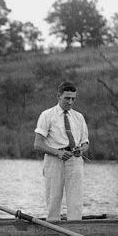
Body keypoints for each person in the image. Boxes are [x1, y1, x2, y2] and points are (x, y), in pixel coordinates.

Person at [33, 81, 89, 221]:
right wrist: (57, 153)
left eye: (73, 99)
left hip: (74, 161)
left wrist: (81, 150)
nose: (70, 102)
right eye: (67, 98)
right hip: (54, 160)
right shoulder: (47, 115)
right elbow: (38, 144)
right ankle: (53, 229)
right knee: (53, 199)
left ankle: (75, 231)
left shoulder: (79, 117)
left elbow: (85, 143)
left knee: (76, 201)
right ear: (58, 96)